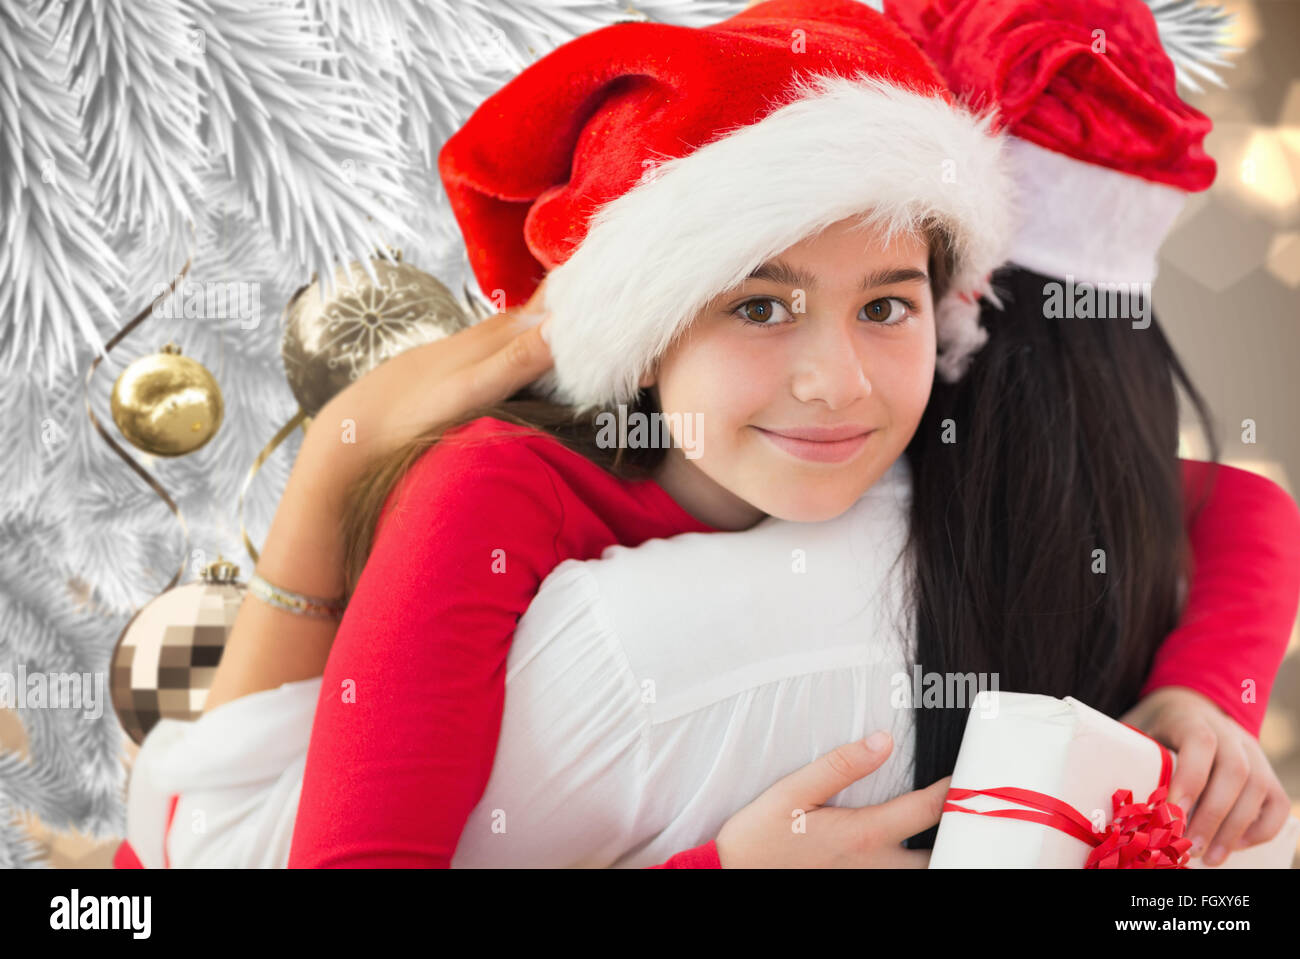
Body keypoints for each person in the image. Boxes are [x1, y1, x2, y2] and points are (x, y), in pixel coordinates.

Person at [116, 0, 1299, 870]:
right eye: (756, 304)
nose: (834, 381)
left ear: (943, 323)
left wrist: (1201, 696)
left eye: (882, 304)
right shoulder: (492, 493)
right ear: (646, 336)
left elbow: (1245, 505)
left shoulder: (933, 444)